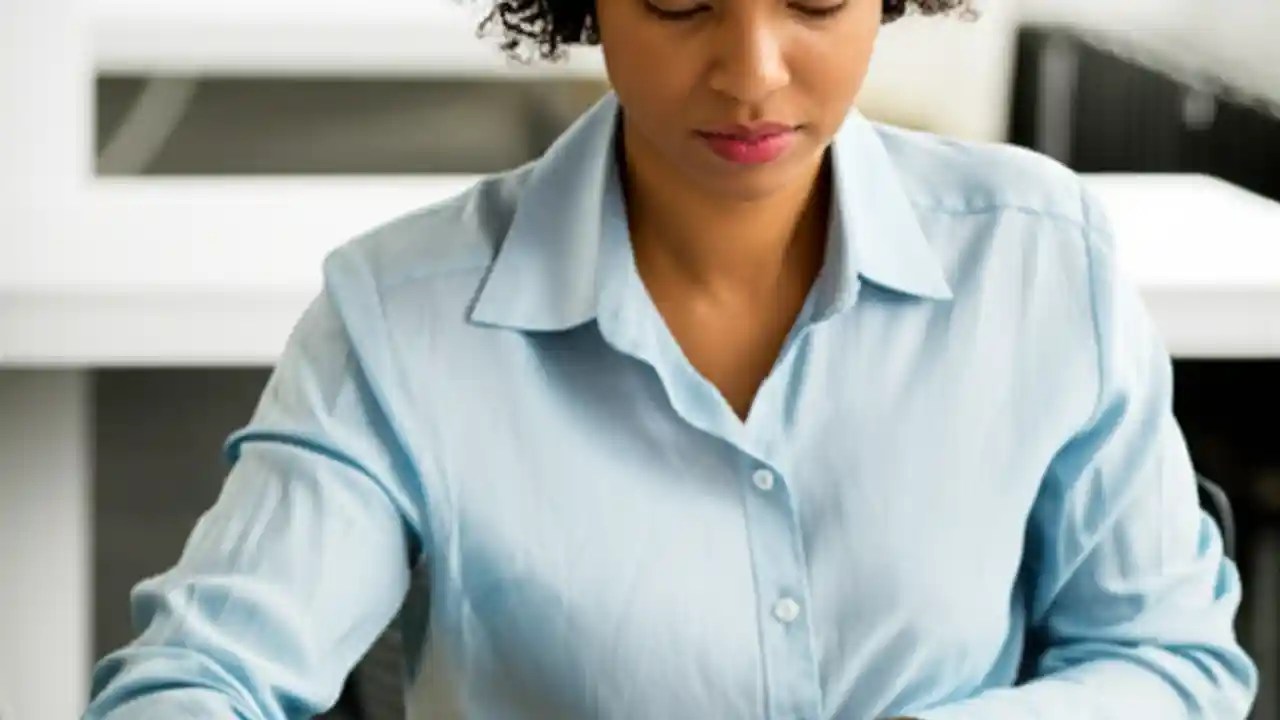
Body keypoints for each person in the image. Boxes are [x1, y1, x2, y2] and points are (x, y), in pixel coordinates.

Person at [84, 0, 1258, 717]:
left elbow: (1165, 659)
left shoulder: (1038, 261)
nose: (751, 71)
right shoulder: (401, 320)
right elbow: (200, 679)